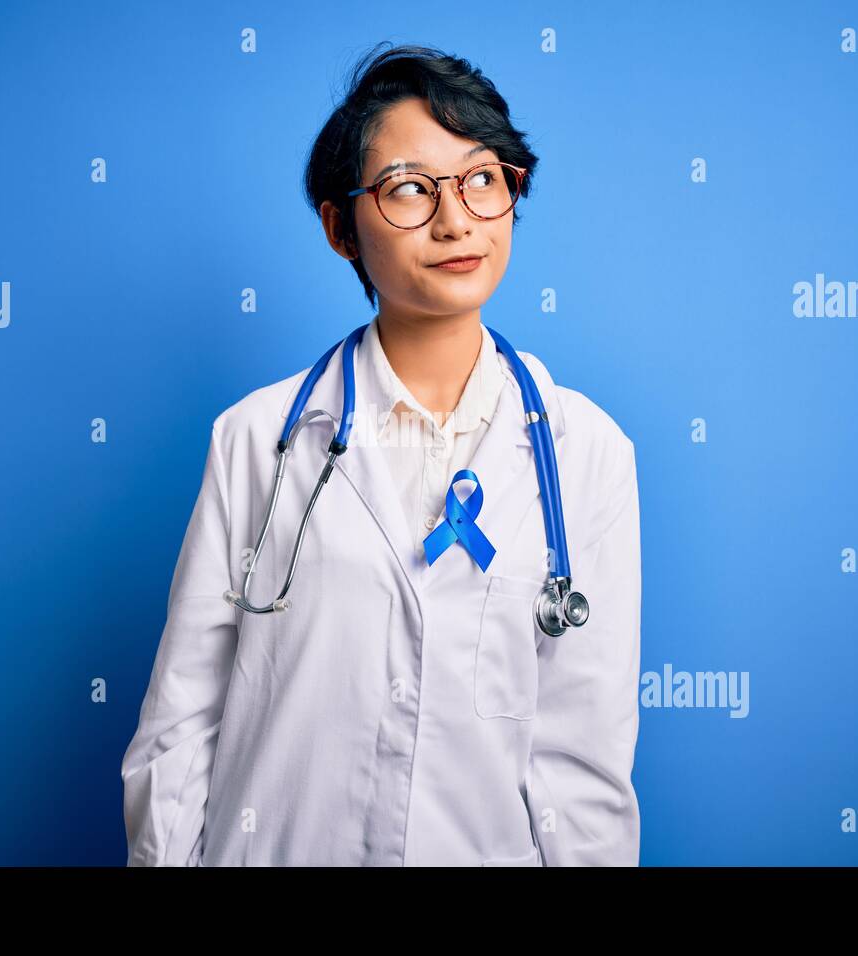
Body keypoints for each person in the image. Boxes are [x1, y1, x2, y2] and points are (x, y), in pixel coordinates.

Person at [121, 43, 642, 866]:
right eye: (408, 189)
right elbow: (179, 728)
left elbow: (583, 768)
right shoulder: (259, 440)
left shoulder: (588, 454)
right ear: (339, 228)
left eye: (482, 178)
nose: (455, 219)